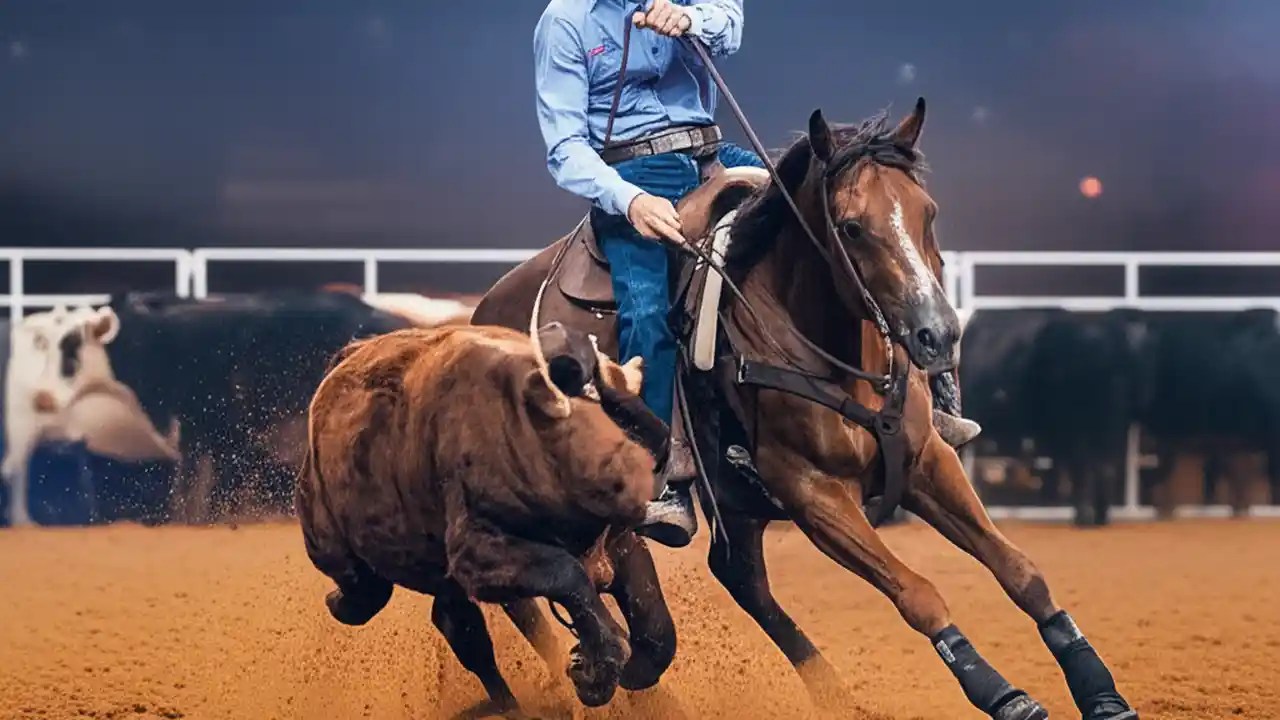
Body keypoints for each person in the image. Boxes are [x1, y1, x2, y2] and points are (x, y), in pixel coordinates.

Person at [533, 0, 980, 549]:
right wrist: (631, 203)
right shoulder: (565, 21)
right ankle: (661, 473)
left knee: (838, 227)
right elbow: (565, 149)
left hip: (709, 154)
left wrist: (691, 19)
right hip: (629, 173)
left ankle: (930, 395)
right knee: (647, 312)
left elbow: (730, 20)